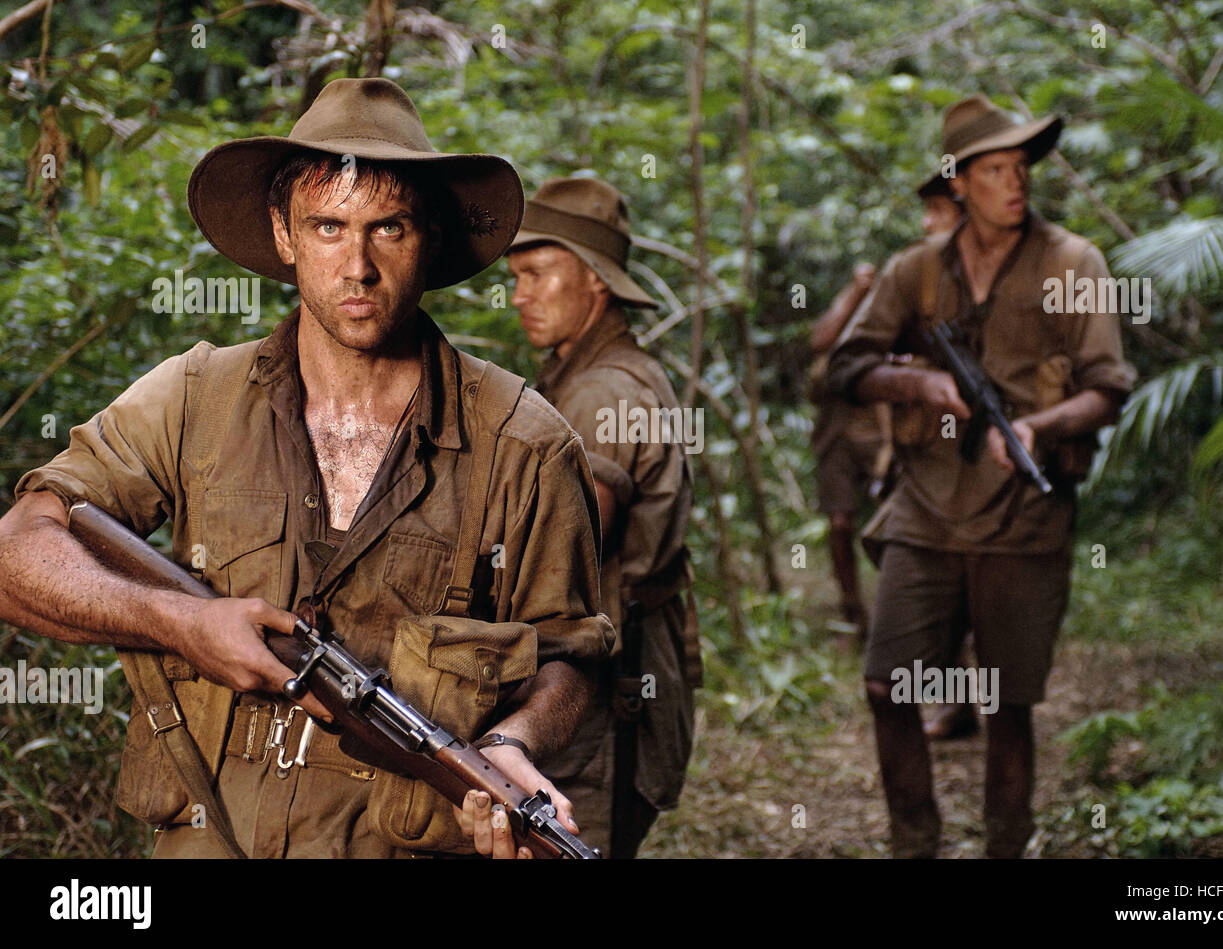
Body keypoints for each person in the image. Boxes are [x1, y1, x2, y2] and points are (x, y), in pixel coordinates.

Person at [0, 78, 614, 859]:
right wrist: (181, 622)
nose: (355, 266)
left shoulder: (526, 444)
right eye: (328, 227)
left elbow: (569, 654)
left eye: (387, 229)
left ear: (427, 236)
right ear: (284, 236)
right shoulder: (193, 400)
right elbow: (17, 549)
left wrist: (514, 742)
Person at [826, 94, 1137, 858]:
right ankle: (915, 841)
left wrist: (1039, 425)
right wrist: (924, 387)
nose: (1014, 182)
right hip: (925, 511)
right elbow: (846, 366)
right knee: (885, 684)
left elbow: (1109, 387)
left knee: (1008, 705)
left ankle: (1007, 843)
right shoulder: (915, 272)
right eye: (994, 169)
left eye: (1020, 166)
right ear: (958, 182)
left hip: (1026, 521)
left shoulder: (1074, 261)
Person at [506, 177, 700, 858]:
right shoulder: (587, 371)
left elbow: (566, 548)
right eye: (515, 276)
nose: (518, 294)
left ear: (594, 280)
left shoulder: (602, 390)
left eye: (536, 273)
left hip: (604, 698)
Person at [809, 177, 963, 650]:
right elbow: (825, 345)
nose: (927, 223)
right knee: (843, 524)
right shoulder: (863, 300)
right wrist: (856, 293)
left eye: (939, 211)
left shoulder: (929, 290)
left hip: (895, 435)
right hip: (841, 432)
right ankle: (856, 610)